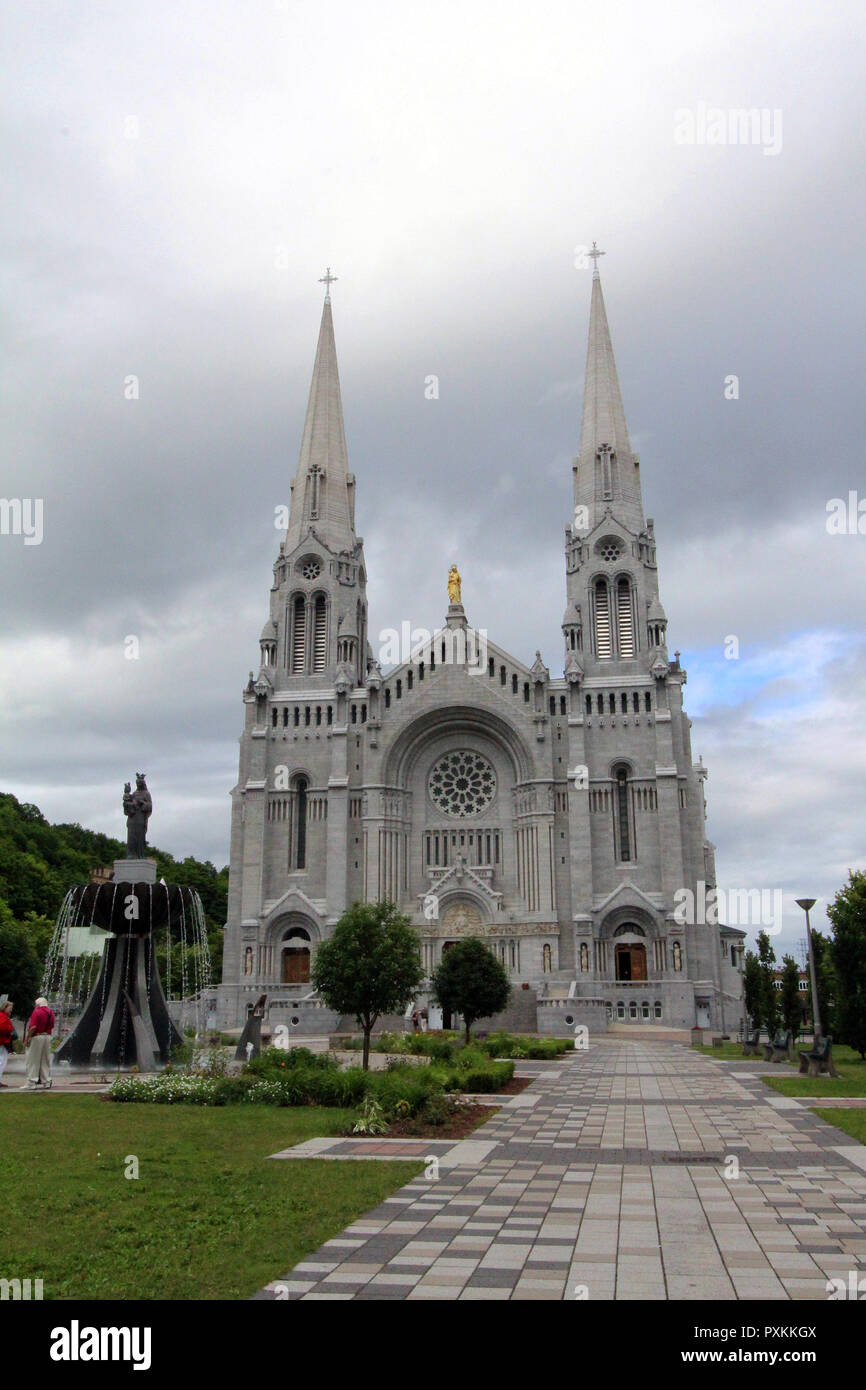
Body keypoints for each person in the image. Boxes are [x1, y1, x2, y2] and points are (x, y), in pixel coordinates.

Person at [24, 996, 55, 1090]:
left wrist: (27, 1038)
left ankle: (31, 1082)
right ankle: (47, 1081)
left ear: (37, 1004)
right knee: (45, 1060)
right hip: (47, 1036)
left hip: (37, 1037)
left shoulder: (37, 1012)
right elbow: (52, 1025)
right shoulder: (51, 1012)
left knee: (33, 1060)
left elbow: (33, 1027)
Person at [0, 996, 15, 1087]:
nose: (11, 1010)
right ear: (5, 1007)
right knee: (2, 1061)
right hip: (2, 1041)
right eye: (10, 1008)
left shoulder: (3, 1016)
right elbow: (2, 1027)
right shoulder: (3, 1016)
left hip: (2, 1041)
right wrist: (9, 1029)